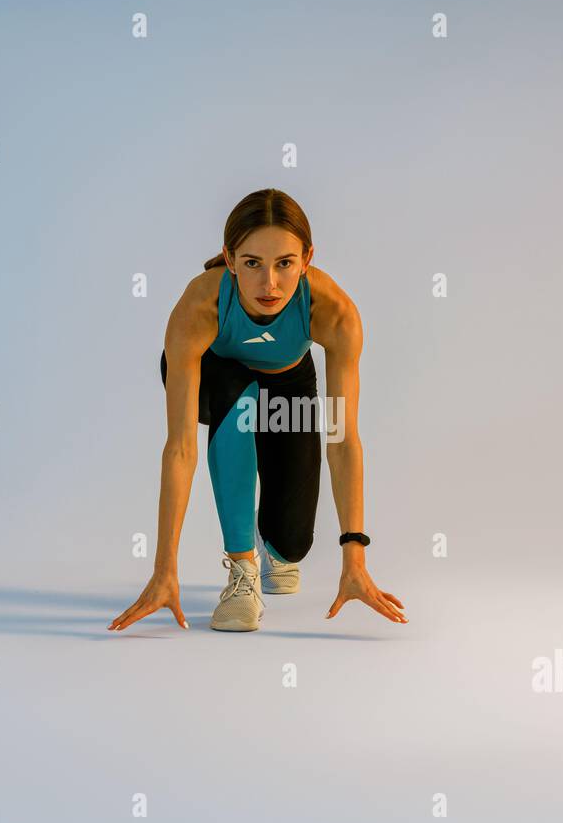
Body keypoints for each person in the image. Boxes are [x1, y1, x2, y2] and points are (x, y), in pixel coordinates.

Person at [109, 188, 406, 632]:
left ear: (307, 259)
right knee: (240, 395)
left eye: (284, 263)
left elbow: (342, 440)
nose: (269, 283)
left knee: (292, 545)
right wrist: (163, 569)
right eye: (252, 263)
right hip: (217, 378)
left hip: (287, 384)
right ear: (230, 260)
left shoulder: (335, 312)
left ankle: (270, 551)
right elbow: (181, 449)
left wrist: (354, 558)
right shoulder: (200, 304)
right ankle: (242, 570)